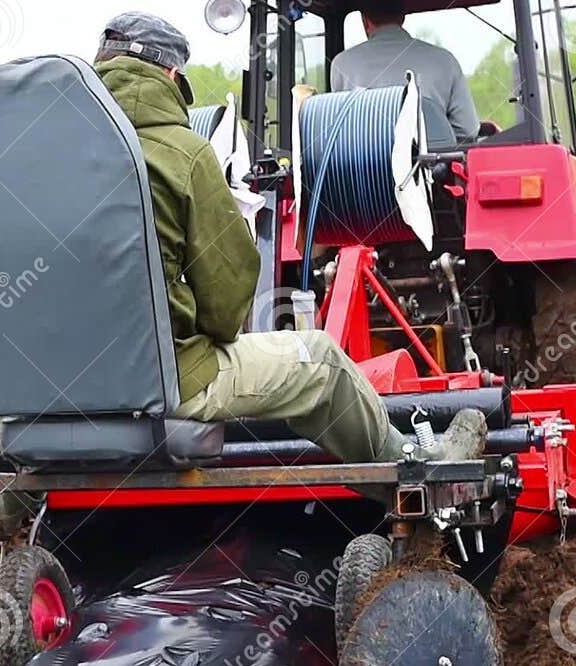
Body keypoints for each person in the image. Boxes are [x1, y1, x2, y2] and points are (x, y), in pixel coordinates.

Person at [91, 12, 416, 467]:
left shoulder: (43, 160)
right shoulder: (182, 152)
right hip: (166, 386)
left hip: (47, 396)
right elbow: (225, 312)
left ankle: (7, 504)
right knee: (320, 360)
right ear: (170, 75)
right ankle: (413, 470)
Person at [330, 1, 479, 144]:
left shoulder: (342, 64)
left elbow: (337, 133)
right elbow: (468, 131)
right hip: (432, 168)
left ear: (365, 20)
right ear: (402, 17)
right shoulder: (444, 60)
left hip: (363, 169)